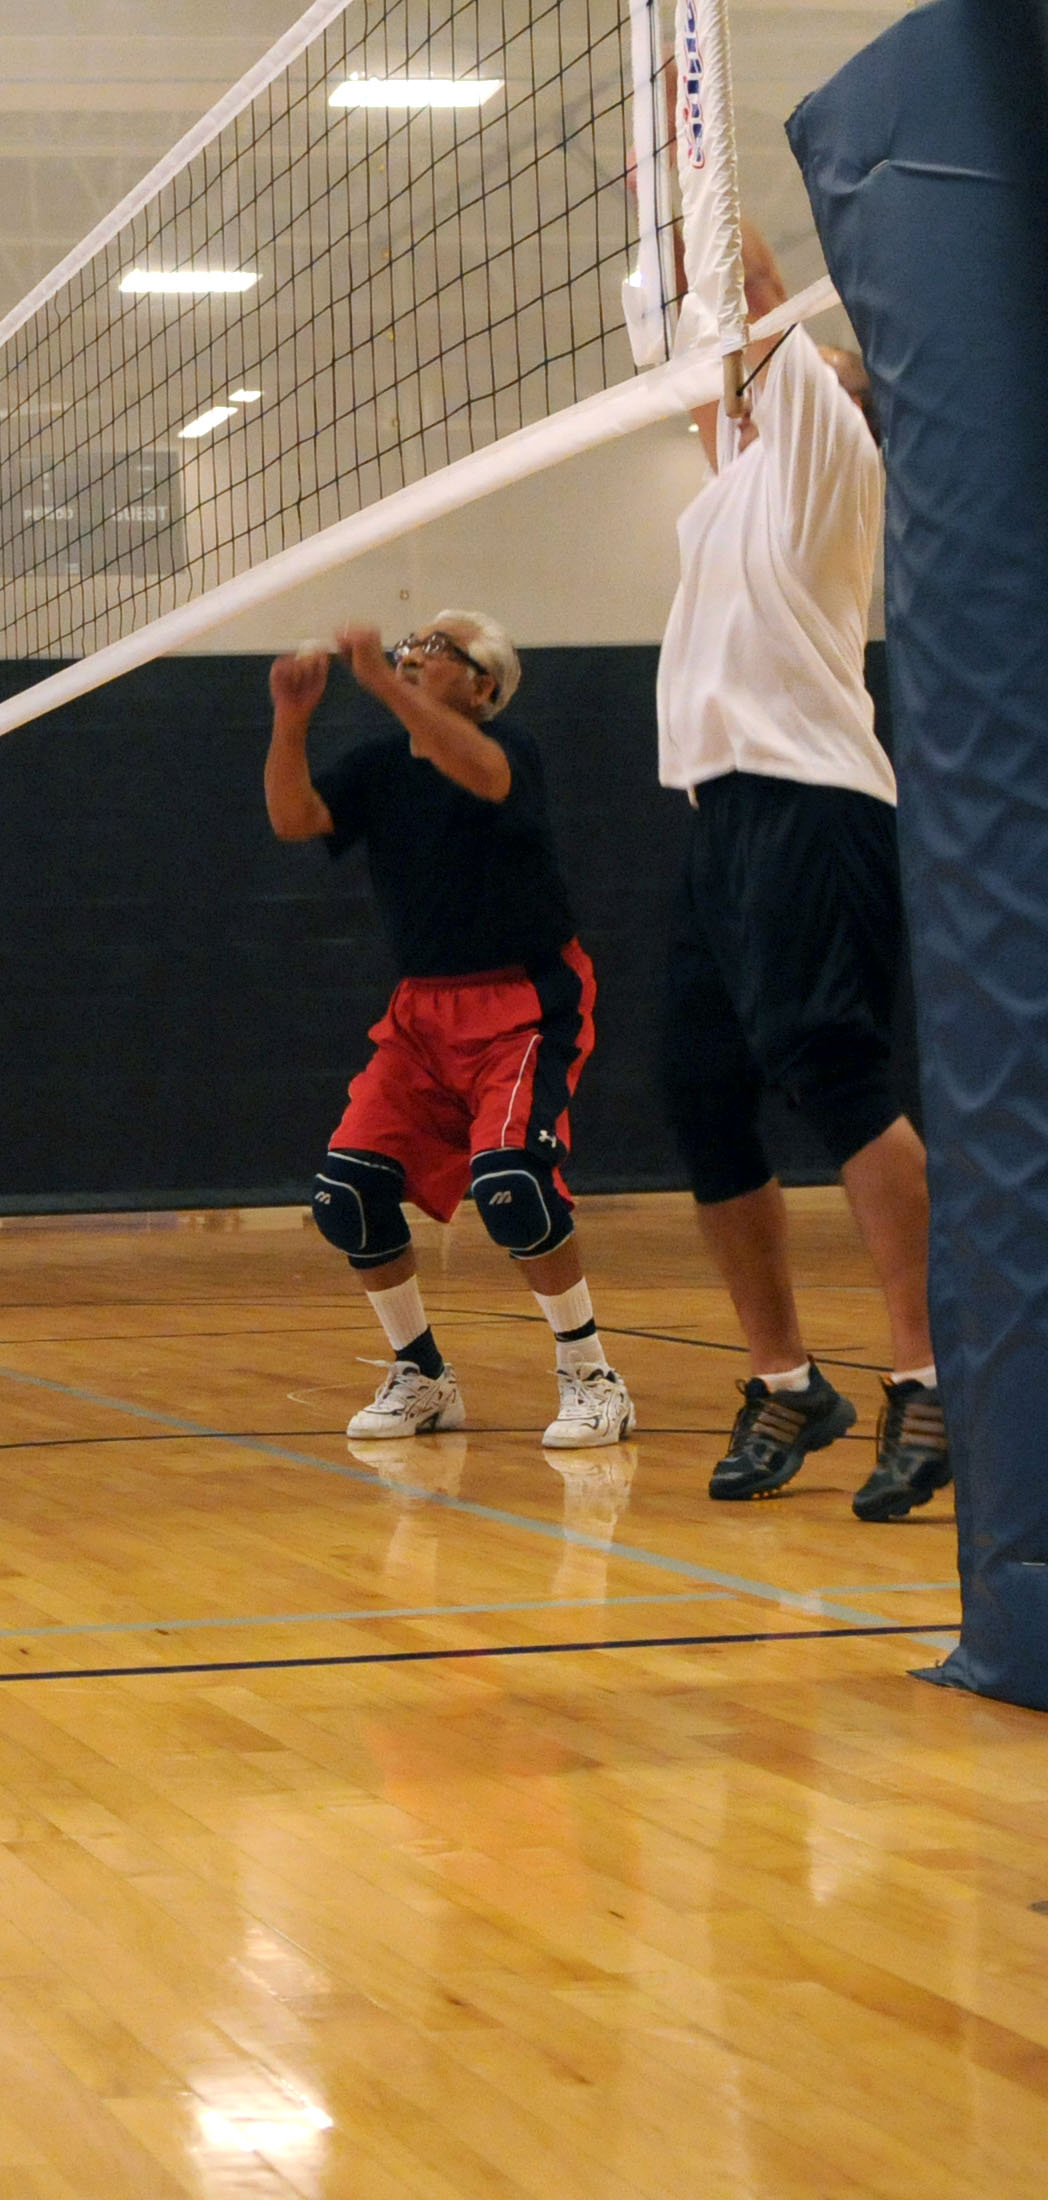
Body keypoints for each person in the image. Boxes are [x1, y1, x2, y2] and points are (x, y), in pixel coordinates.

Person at [658, 222, 947, 1520]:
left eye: (799, 359)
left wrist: (707, 167)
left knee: (835, 1077)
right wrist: (666, 201)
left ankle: (931, 1377)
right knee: (700, 1092)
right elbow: (702, 334)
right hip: (718, 810)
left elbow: (755, 305)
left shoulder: (833, 449)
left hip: (813, 799)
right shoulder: (739, 477)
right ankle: (787, 1380)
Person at [266, 612, 634, 1449]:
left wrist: (385, 686)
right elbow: (294, 818)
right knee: (346, 1196)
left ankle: (592, 1377)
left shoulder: (510, 749)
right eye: (414, 644)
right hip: (422, 1012)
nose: (416, 654)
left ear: (485, 686)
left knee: (512, 1185)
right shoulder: (380, 765)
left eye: (440, 650)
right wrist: (291, 719)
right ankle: (423, 1376)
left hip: (524, 1002)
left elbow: (482, 774)